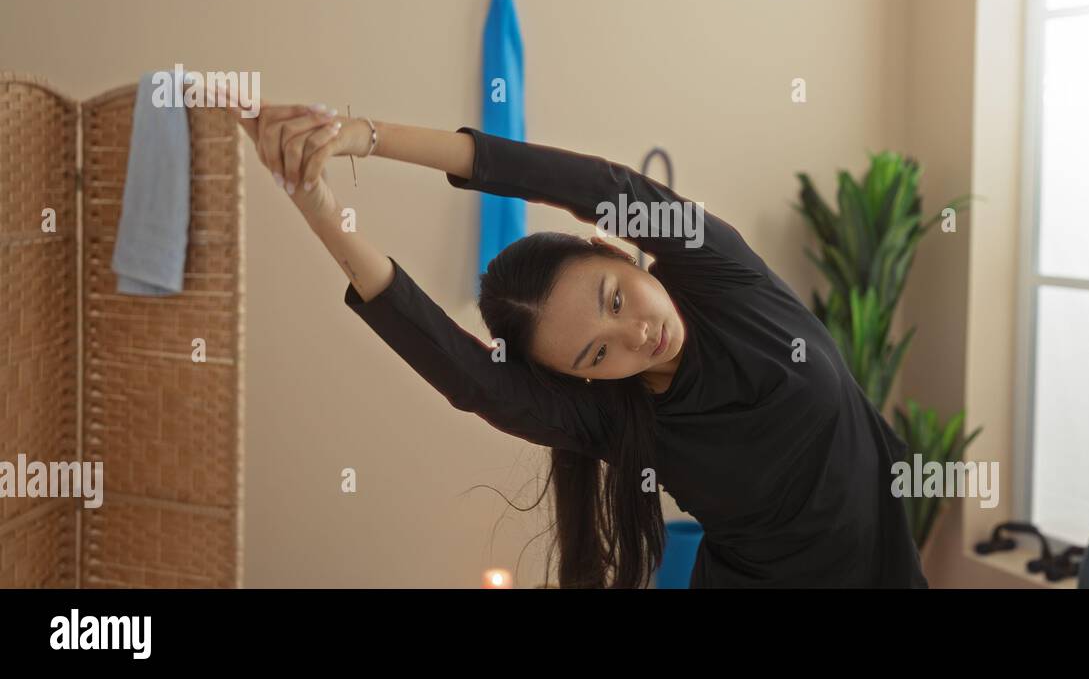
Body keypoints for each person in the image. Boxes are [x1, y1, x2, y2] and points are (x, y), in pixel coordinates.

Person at [237, 103, 929, 589]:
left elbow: (595, 185)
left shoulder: (721, 275)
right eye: (598, 355)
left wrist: (364, 135)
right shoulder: (622, 420)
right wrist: (317, 205)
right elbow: (470, 377)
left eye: (616, 298)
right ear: (586, 380)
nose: (636, 336)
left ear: (616, 248)